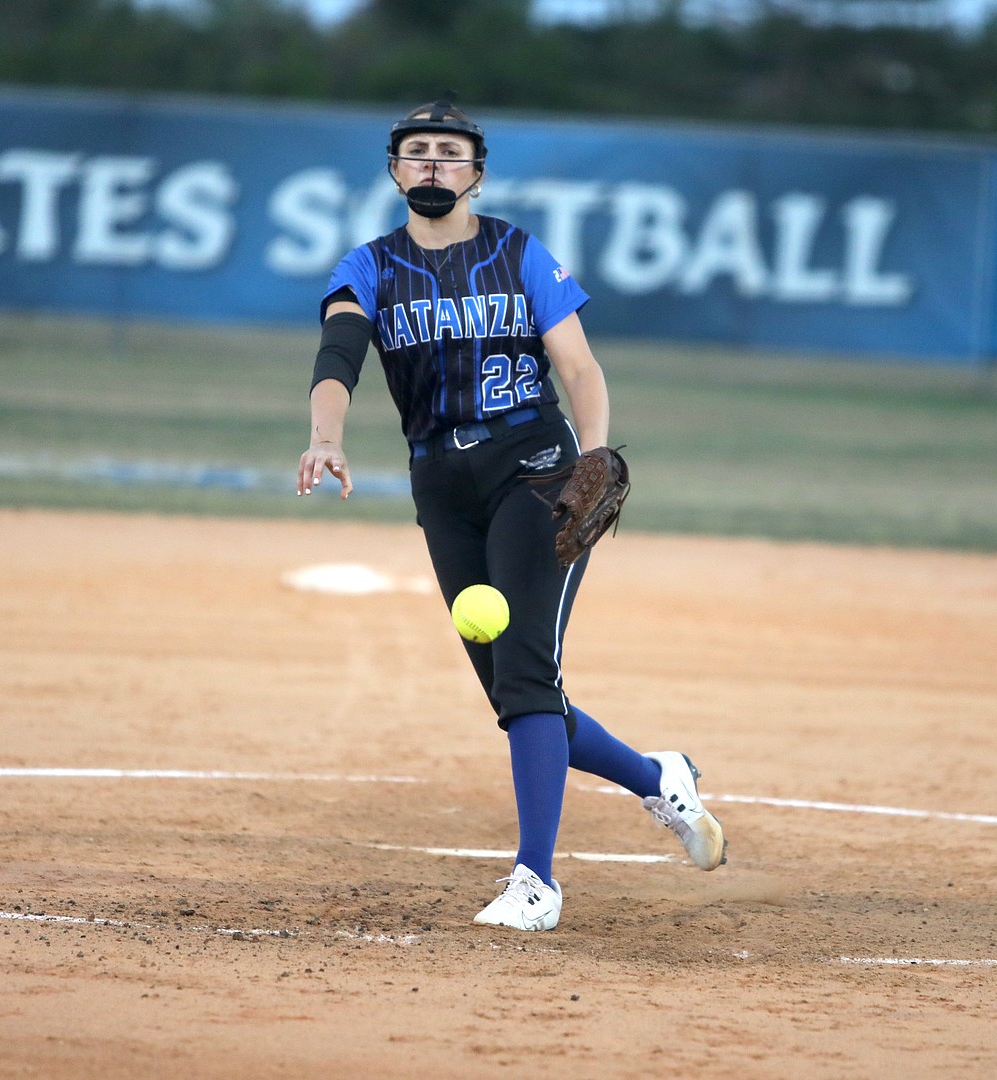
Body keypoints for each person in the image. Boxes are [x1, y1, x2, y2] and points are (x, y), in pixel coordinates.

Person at [295, 96, 727, 932]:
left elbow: (578, 365)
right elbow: (340, 350)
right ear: (393, 170)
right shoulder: (370, 265)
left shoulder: (518, 251)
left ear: (476, 173)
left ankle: (537, 881)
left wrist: (592, 461)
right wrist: (326, 433)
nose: (431, 164)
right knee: (516, 691)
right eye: (416, 151)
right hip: (442, 488)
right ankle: (657, 777)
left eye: (448, 153)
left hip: (537, 472)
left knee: (528, 672)